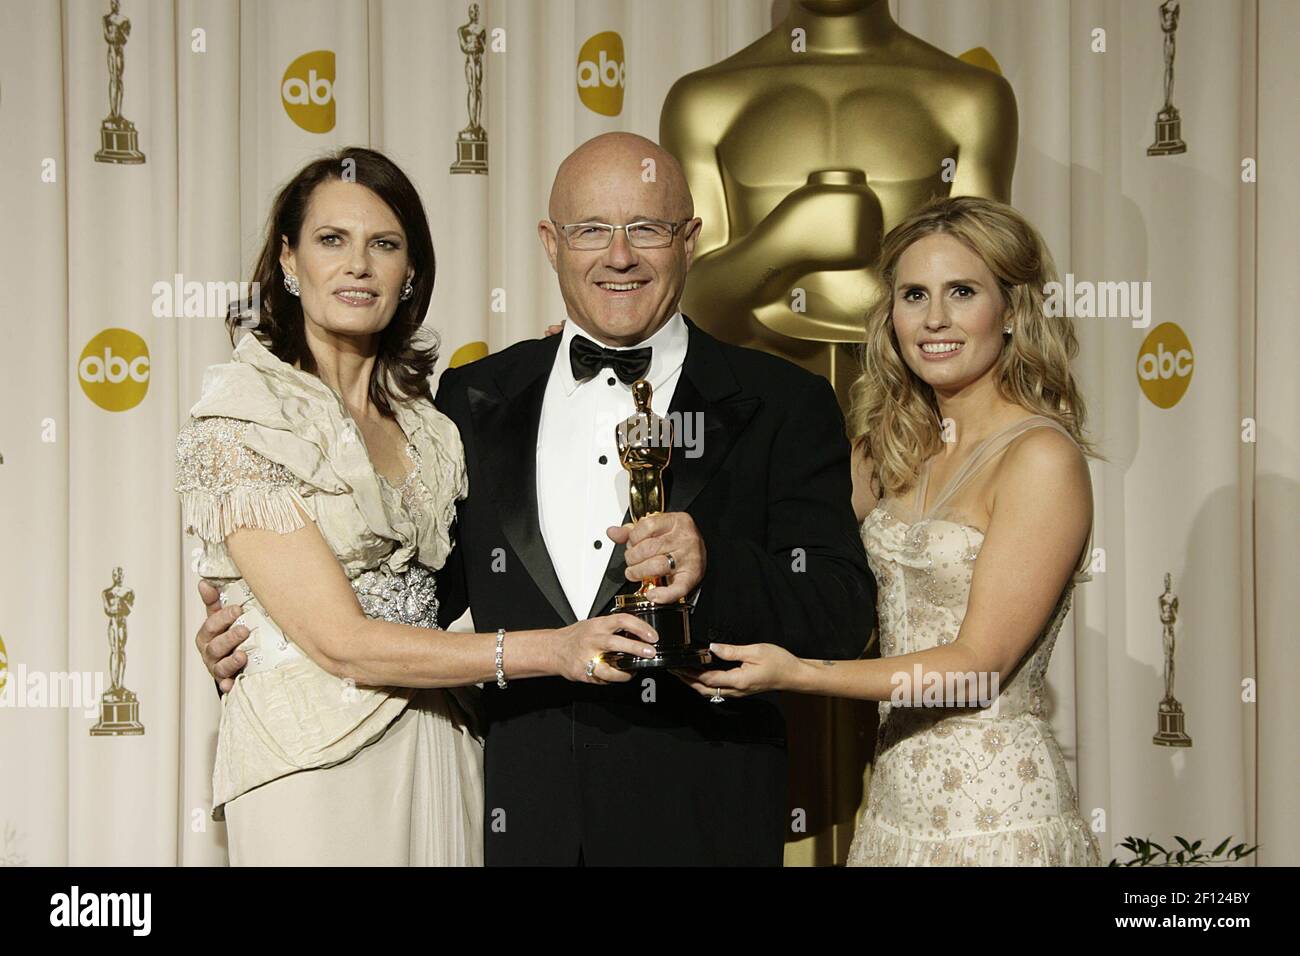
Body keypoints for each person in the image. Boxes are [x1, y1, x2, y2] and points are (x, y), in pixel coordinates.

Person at [198, 132, 875, 865]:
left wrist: (714, 570)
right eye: (590, 230)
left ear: (690, 239)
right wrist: (269, 625)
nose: (619, 256)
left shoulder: (783, 402)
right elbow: (420, 589)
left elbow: (841, 614)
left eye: (646, 228)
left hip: (702, 820)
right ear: (551, 243)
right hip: (514, 819)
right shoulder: (472, 397)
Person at [177, 147, 660, 866]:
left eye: (384, 244)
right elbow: (340, 640)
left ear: (410, 273)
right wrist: (554, 650)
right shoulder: (242, 419)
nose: (358, 265)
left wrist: (565, 368)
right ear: (287, 259)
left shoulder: (435, 424)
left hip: (444, 738)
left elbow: (474, 576)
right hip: (313, 760)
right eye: (331, 240)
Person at [678, 196, 1103, 866]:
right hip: (893, 812)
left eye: (962, 292)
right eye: (914, 294)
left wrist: (801, 674)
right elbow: (763, 538)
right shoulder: (887, 450)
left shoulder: (1041, 459)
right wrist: (628, 375)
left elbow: (976, 669)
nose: (934, 318)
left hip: (998, 822)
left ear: (1013, 311)